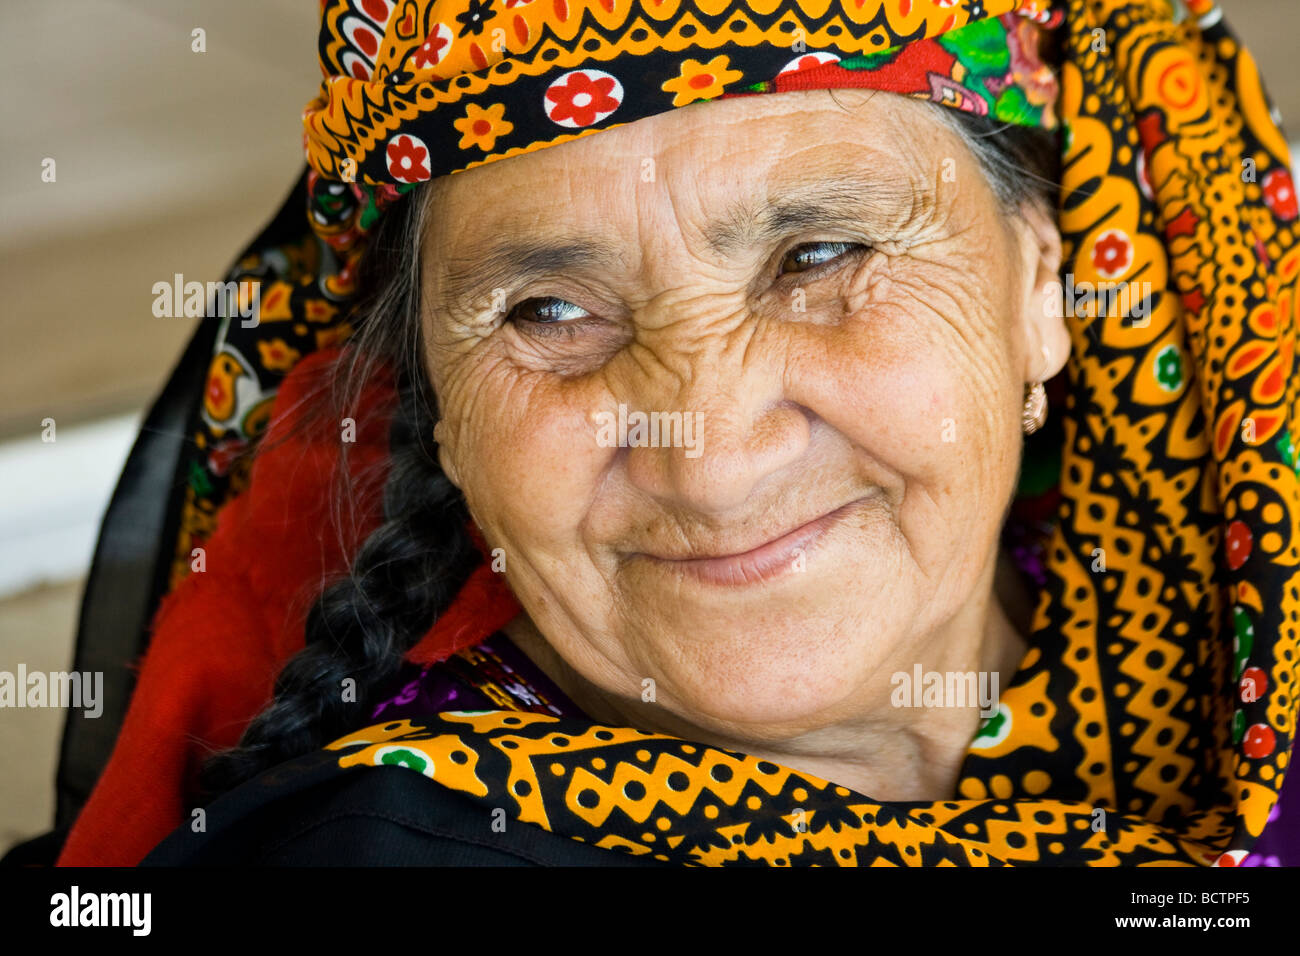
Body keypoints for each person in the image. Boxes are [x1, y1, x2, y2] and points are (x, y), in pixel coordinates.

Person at [62, 0, 1300, 867]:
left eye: (820, 255)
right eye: (549, 310)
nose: (708, 456)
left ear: (1042, 288)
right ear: (436, 408)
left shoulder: (1227, 687)